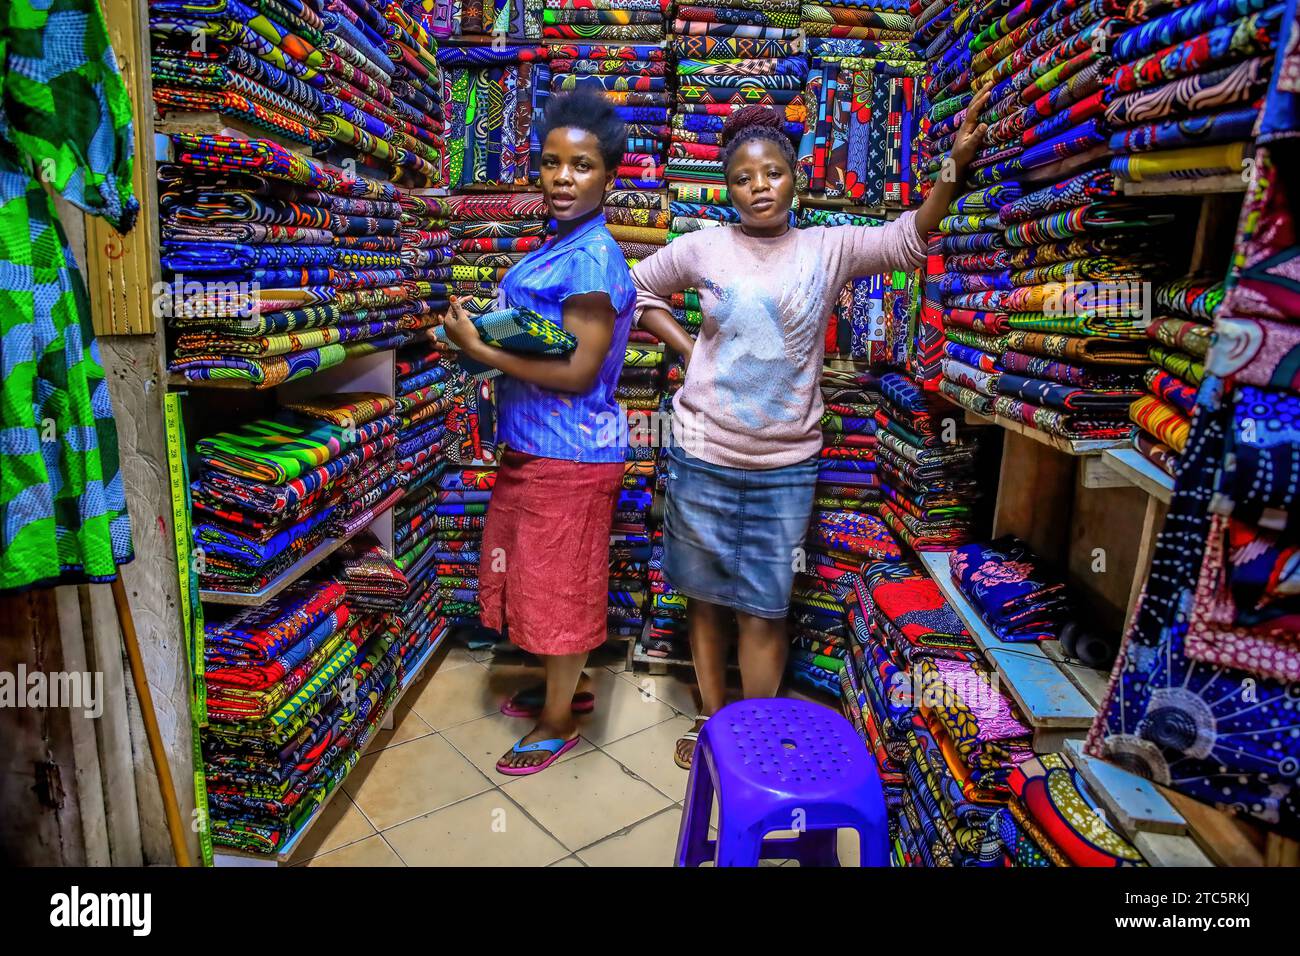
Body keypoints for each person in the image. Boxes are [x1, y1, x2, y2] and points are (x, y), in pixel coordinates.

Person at [630, 92, 992, 769]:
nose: (757, 188)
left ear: (795, 175)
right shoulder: (703, 246)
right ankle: (712, 722)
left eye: (770, 173)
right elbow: (638, 290)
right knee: (705, 598)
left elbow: (910, 238)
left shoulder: (827, 248)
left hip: (785, 463)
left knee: (765, 607)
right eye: (742, 178)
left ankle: (753, 732)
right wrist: (689, 351)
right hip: (703, 450)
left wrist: (954, 167)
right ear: (727, 186)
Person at [435, 88, 636, 775]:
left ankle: (558, 721)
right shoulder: (565, 245)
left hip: (571, 453)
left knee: (560, 587)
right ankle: (568, 687)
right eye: (551, 163)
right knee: (539, 579)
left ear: (609, 174)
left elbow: (580, 371)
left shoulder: (590, 257)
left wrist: (481, 349)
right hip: (538, 447)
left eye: (581, 165)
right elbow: (545, 340)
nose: (561, 178)